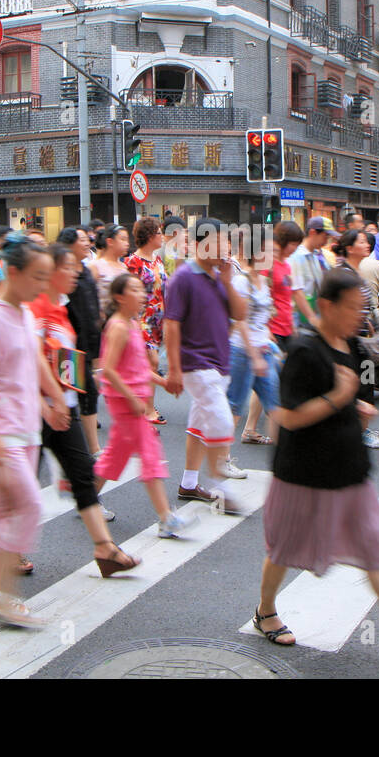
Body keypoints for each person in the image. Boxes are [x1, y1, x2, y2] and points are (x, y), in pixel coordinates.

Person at [255, 267, 379, 652]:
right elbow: (287, 416)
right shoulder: (303, 350)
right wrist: (337, 398)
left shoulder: (352, 346)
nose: (358, 317)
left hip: (348, 467)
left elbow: (347, 393)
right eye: (351, 309)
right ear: (327, 306)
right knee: (283, 549)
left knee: (372, 550)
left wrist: (356, 403)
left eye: (362, 309)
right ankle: (265, 611)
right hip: (303, 472)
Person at [0, 236, 137, 629]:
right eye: (37, 276)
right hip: (1, 429)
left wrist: (54, 398)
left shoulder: (24, 314)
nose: (42, 284)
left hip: (26, 427)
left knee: (8, 508)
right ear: (13, 272)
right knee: (25, 505)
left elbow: (35, 360)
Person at [29, 243, 128, 570]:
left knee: (84, 474)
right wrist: (49, 403)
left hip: (62, 406)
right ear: (50, 271)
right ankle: (1, 565)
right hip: (36, 410)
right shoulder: (38, 308)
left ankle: (104, 550)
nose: (75, 272)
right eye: (68, 267)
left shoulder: (61, 306)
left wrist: (79, 386)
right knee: (22, 492)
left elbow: (63, 357)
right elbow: (31, 360)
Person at [96, 271, 192, 539]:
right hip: (125, 403)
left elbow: (137, 369)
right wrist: (131, 398)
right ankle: (165, 518)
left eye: (142, 290)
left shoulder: (132, 323)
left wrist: (163, 384)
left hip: (132, 401)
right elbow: (109, 370)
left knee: (115, 455)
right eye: (135, 290)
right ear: (119, 297)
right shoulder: (117, 326)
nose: (142, 295)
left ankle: (85, 496)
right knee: (150, 455)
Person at [163, 217, 248, 511]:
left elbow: (240, 314)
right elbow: (171, 325)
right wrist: (173, 369)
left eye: (226, 242)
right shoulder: (183, 277)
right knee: (222, 421)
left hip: (219, 363)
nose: (225, 248)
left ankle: (188, 484)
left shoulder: (220, 275)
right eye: (218, 242)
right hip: (196, 365)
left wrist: (226, 280)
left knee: (199, 424)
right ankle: (221, 490)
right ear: (199, 244)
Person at [334, 228, 379, 450]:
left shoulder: (354, 271)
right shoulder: (343, 274)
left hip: (362, 340)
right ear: (349, 248)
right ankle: (360, 431)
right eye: (361, 241)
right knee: (360, 385)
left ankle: (359, 430)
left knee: (365, 383)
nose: (367, 244)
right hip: (351, 341)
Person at [228, 229, 281, 454]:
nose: (273, 254)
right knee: (234, 408)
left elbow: (262, 317)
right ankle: (222, 458)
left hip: (263, 351)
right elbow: (239, 321)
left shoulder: (263, 280)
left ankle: (285, 463)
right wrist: (254, 353)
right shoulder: (241, 281)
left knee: (276, 405)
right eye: (268, 250)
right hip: (242, 352)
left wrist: (270, 342)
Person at [57, 227, 103, 459]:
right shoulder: (61, 275)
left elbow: (92, 308)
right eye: (83, 240)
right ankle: (90, 449)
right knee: (77, 395)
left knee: (84, 395)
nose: (88, 242)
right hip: (68, 349)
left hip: (86, 343)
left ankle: (85, 447)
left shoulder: (85, 270)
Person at [123, 217, 168, 425]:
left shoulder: (157, 260)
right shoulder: (133, 262)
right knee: (152, 361)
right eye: (159, 233)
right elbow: (129, 290)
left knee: (149, 362)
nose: (162, 236)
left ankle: (144, 404)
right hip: (141, 317)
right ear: (150, 236)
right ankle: (147, 408)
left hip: (158, 318)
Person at [264, 220, 309, 352]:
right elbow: (264, 297)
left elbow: (287, 299)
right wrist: (266, 328)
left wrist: (292, 326)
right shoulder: (268, 265)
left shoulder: (287, 266)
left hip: (287, 328)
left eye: (297, 244)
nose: (295, 248)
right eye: (293, 244)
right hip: (273, 329)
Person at [288, 217, 335, 329]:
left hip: (312, 317)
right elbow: (297, 292)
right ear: (312, 232)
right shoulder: (296, 257)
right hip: (298, 320)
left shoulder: (315, 256)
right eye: (325, 237)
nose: (325, 242)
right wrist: (312, 318)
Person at [90, 223, 129, 315]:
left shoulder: (124, 267)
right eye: (122, 239)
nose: (127, 243)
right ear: (110, 241)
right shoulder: (95, 266)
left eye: (127, 239)